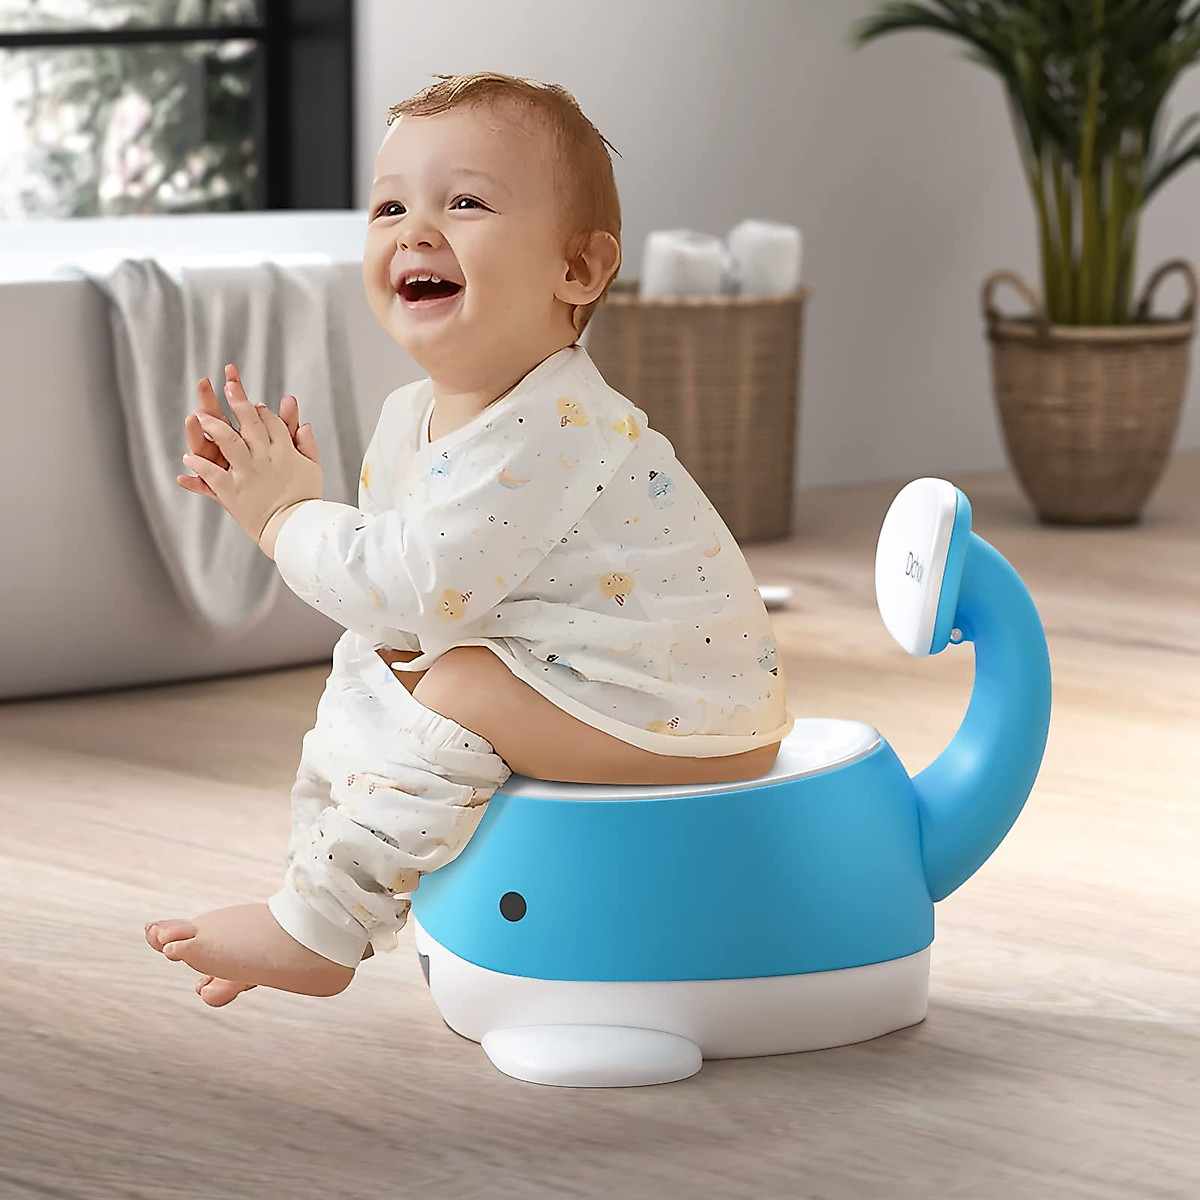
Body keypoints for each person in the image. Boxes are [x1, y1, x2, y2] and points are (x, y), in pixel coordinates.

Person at [145, 72, 794, 1006]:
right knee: (374, 666)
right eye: (390, 207)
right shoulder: (410, 414)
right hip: (586, 674)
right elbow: (400, 618)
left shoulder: (555, 422)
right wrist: (301, 520)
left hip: (686, 711)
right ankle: (310, 894)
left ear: (579, 269)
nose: (415, 230)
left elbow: (413, 584)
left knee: (459, 685)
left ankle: (323, 925)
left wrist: (284, 516)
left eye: (465, 203)